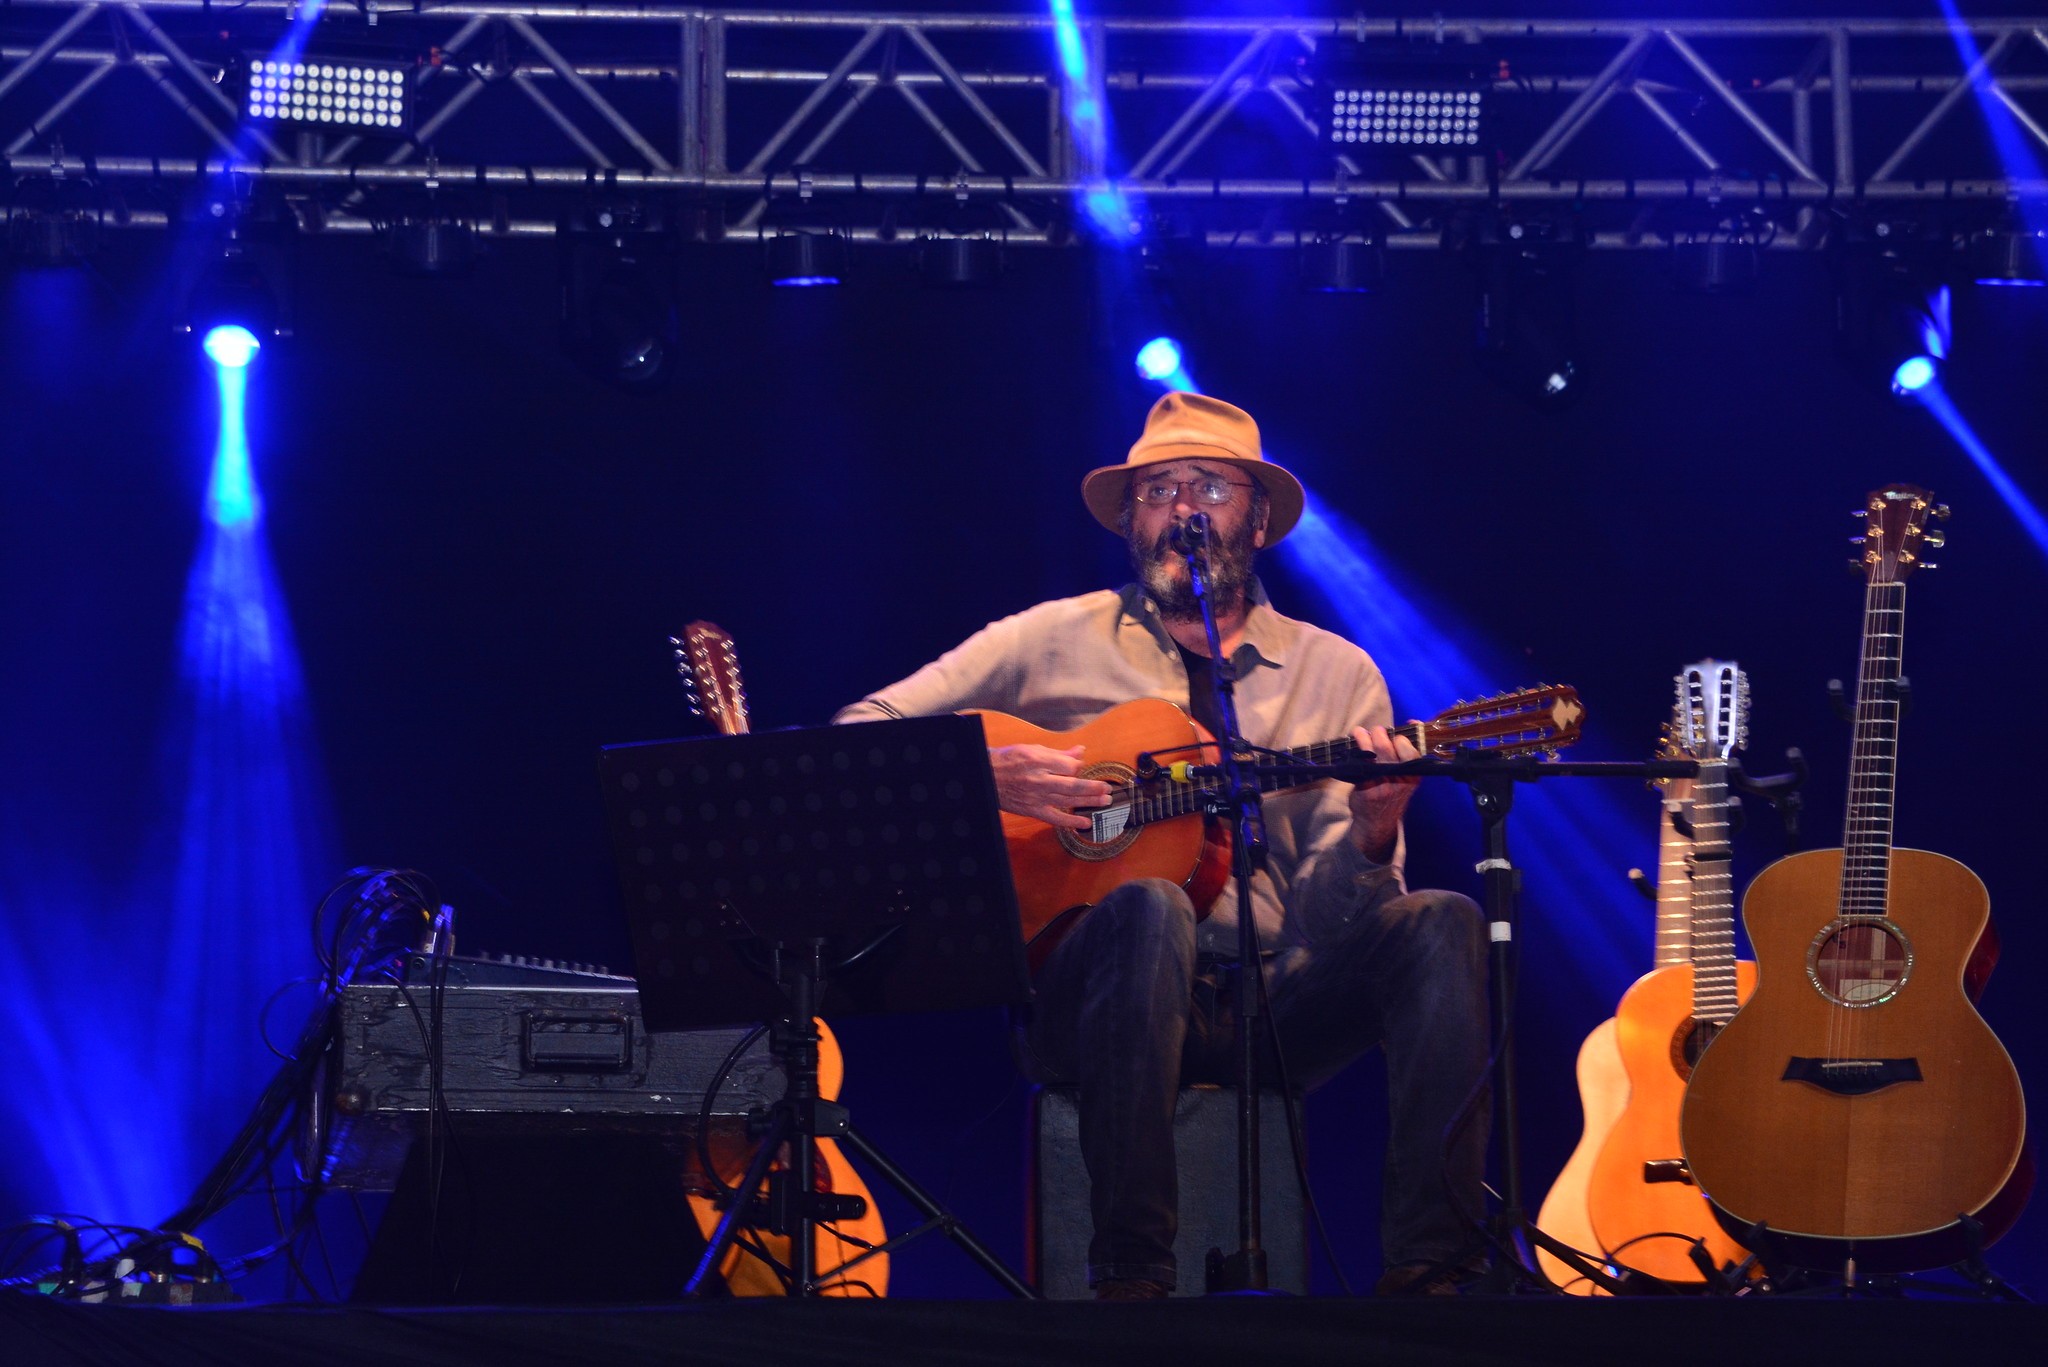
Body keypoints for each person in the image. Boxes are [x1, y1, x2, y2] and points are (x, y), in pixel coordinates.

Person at [833, 392, 1490, 1298]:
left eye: (1208, 487)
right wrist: (993, 778)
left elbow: (1334, 923)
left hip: (1268, 1003)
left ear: (1257, 520)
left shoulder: (1336, 674)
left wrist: (1375, 832)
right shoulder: (1047, 639)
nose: (1181, 507)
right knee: (1146, 901)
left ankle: (1435, 1268)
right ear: (1131, 521)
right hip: (1089, 996)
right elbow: (857, 732)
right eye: (1156, 490)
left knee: (1441, 922)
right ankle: (1135, 1277)